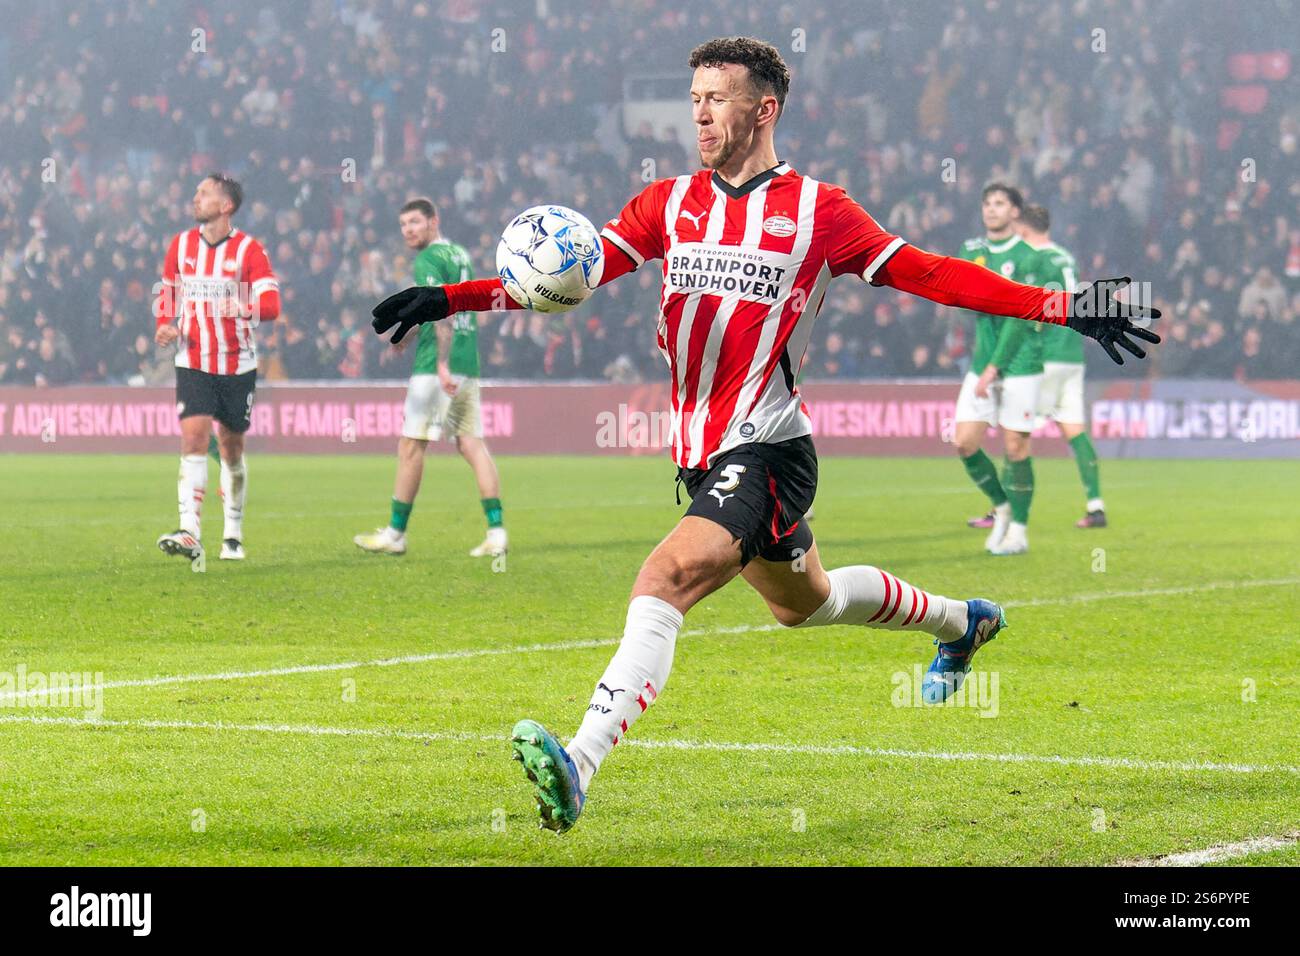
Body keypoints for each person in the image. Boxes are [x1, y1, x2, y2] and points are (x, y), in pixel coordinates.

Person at [370, 37, 1158, 833]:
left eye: (717, 98)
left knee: (665, 578)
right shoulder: (668, 203)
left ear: (764, 108)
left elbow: (931, 271)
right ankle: (963, 622)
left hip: (769, 448)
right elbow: (568, 277)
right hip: (700, 456)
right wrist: (451, 298)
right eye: (695, 100)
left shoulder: (821, 212)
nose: (701, 114)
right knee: (803, 603)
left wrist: (1059, 306)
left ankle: (579, 760)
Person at [354, 198, 506, 557]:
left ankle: (395, 533)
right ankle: (497, 533)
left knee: (411, 446)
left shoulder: (427, 260)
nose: (408, 230)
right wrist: (407, 336)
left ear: (433, 221)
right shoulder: (460, 255)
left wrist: (439, 363)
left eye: (415, 222)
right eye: (403, 224)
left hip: (437, 368)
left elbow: (440, 312)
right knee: (471, 444)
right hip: (468, 362)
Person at [155, 174, 280, 564]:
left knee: (231, 449)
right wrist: (165, 323)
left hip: (236, 364)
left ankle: (233, 531)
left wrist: (245, 308)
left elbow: (272, 304)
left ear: (226, 206)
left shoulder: (249, 251)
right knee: (193, 438)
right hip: (192, 359)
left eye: (204, 193)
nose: (196, 198)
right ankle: (190, 529)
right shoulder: (181, 245)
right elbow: (168, 292)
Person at [952, 184, 1043, 556]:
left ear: (1015, 212)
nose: (991, 209)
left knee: (1016, 446)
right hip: (981, 361)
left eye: (1000, 203)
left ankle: (1019, 531)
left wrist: (994, 367)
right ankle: (1002, 507)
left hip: (1020, 364)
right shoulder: (972, 251)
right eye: (987, 203)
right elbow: (958, 297)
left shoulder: (1028, 257)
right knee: (964, 442)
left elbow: (1021, 317)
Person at [1018, 204, 1106, 527]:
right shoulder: (1066, 257)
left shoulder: (1035, 260)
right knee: (1075, 430)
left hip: (1047, 354)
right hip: (1072, 355)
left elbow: (1028, 308)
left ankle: (1006, 509)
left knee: (1017, 427)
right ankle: (1096, 506)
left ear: (1024, 229)